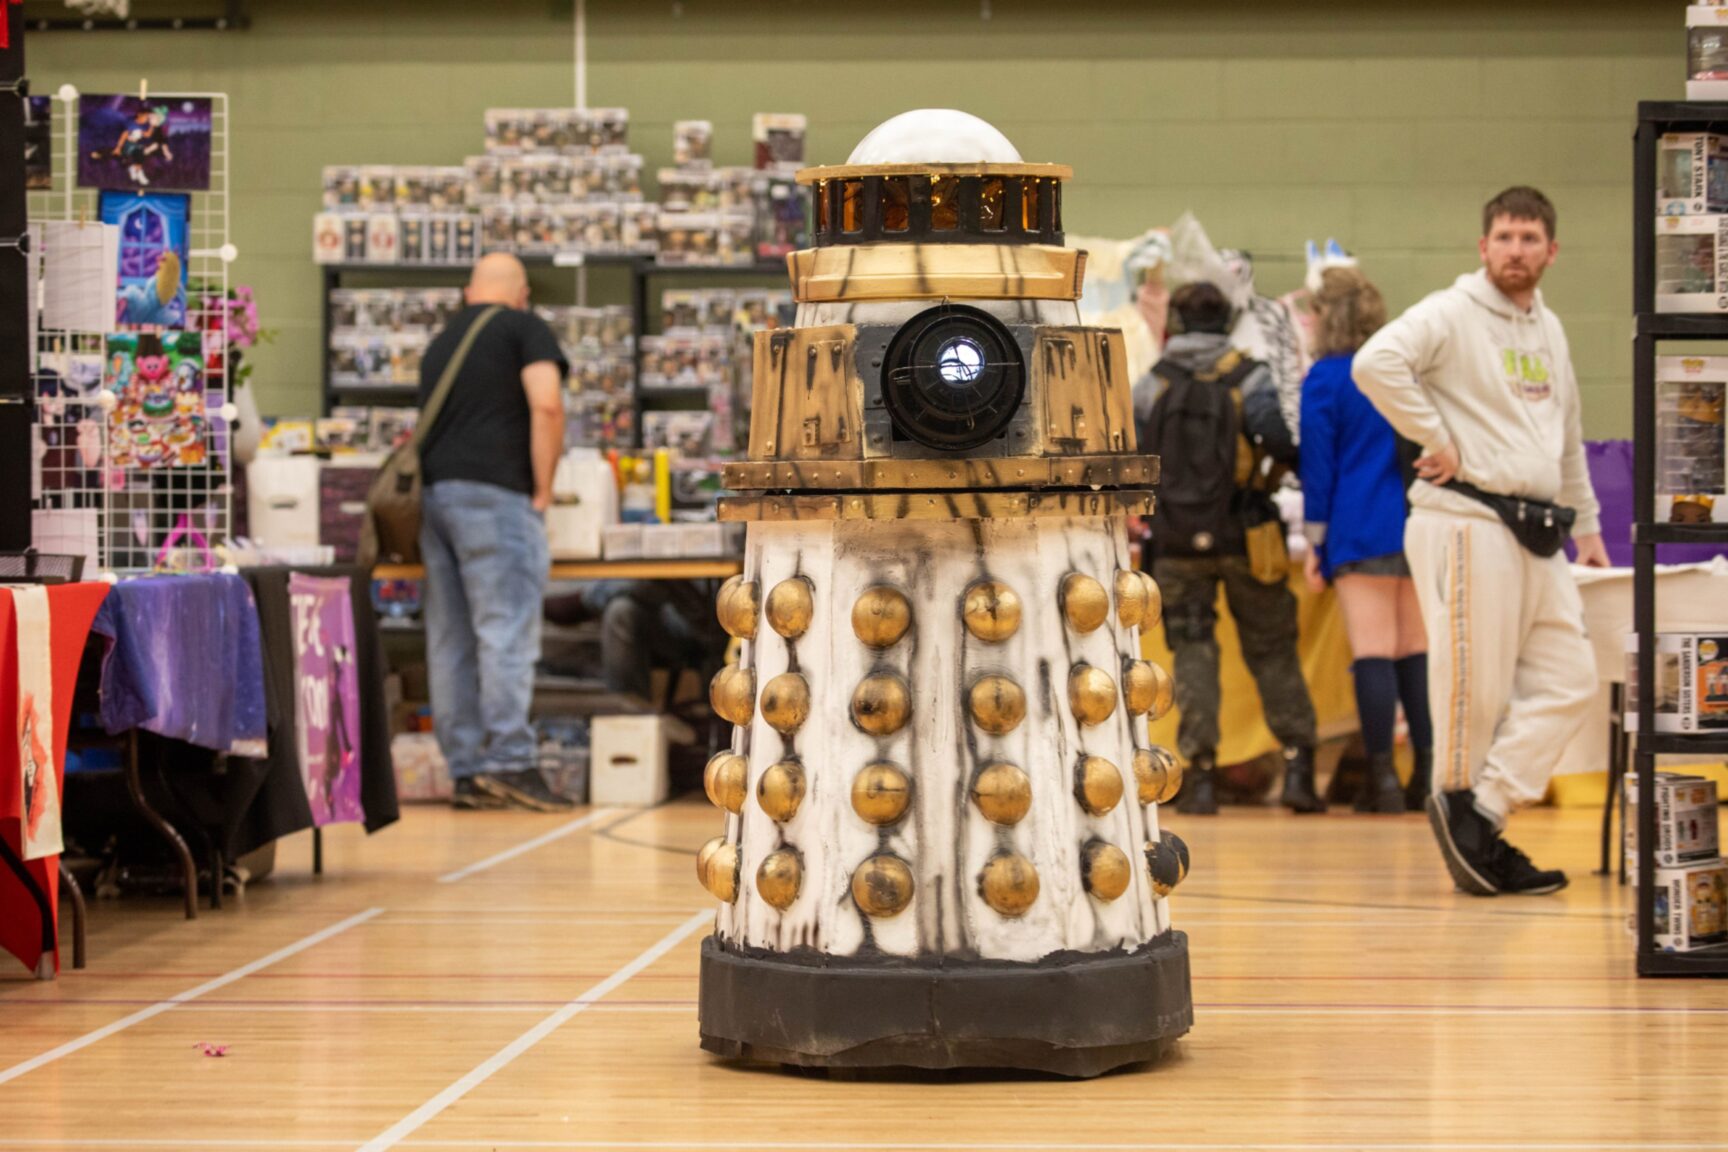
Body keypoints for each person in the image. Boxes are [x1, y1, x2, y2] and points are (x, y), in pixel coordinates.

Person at [1353, 186, 1611, 895]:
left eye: (1529, 239)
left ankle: (1484, 810)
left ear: (1551, 251)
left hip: (1538, 526)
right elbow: (1375, 363)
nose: (1515, 250)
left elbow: (1566, 436)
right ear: (1483, 247)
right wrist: (1435, 436)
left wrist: (1588, 525)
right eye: (1504, 237)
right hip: (1466, 520)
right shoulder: (1452, 311)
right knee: (1474, 683)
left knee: (1571, 678)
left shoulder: (1549, 328)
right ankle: (1461, 807)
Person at [1140, 282, 1324, 816]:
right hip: (1249, 534)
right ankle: (1299, 771)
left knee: (1193, 652)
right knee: (1272, 650)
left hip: (1176, 539)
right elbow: (1280, 441)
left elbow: (1132, 446)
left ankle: (1200, 778)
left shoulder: (1153, 381)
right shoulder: (1251, 377)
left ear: (1176, 322)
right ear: (1227, 322)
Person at [418, 253, 571, 812]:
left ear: (469, 291)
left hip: (434, 499)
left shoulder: (441, 342)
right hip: (496, 496)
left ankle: (465, 770)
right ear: (522, 294)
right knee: (505, 632)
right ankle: (510, 762)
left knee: (451, 637)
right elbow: (547, 405)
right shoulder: (523, 328)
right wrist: (544, 489)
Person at [1298, 267, 1434, 815]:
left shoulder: (1327, 378)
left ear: (1325, 317)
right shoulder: (1399, 371)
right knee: (1415, 652)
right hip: (1417, 521)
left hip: (1359, 526)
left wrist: (1315, 543)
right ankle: (1426, 777)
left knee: (1374, 651)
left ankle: (1382, 781)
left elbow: (1318, 467)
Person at [542, 579, 726, 706]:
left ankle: (586, 600)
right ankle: (631, 715)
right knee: (621, 611)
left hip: (712, 620)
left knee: (660, 573)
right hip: (665, 609)